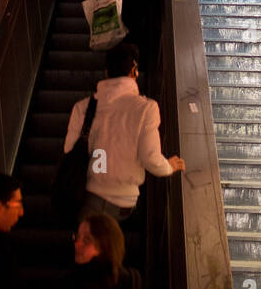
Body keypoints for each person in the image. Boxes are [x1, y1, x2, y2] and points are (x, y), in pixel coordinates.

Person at [63, 44, 185, 222]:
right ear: (134, 71)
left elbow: (69, 149)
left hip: (87, 195)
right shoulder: (145, 108)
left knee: (88, 243)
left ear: (106, 72)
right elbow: (150, 157)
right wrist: (169, 167)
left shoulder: (82, 107)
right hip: (122, 202)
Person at [57, 213, 194, 289]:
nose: (77, 244)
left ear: (106, 246)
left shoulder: (71, 283)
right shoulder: (133, 282)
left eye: (86, 240)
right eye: (77, 236)